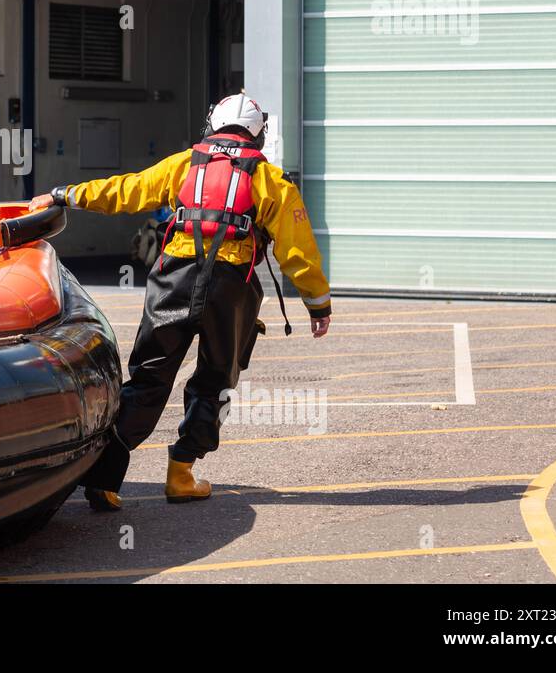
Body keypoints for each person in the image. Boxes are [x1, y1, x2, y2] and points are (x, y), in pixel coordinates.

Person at [28, 92, 331, 511]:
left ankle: (105, 479)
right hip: (231, 290)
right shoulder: (270, 181)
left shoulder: (184, 164)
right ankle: (181, 473)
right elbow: (297, 251)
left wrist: (64, 195)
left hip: (173, 280)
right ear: (257, 135)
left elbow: (125, 191)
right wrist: (318, 305)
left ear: (212, 125)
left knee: (149, 377)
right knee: (215, 381)